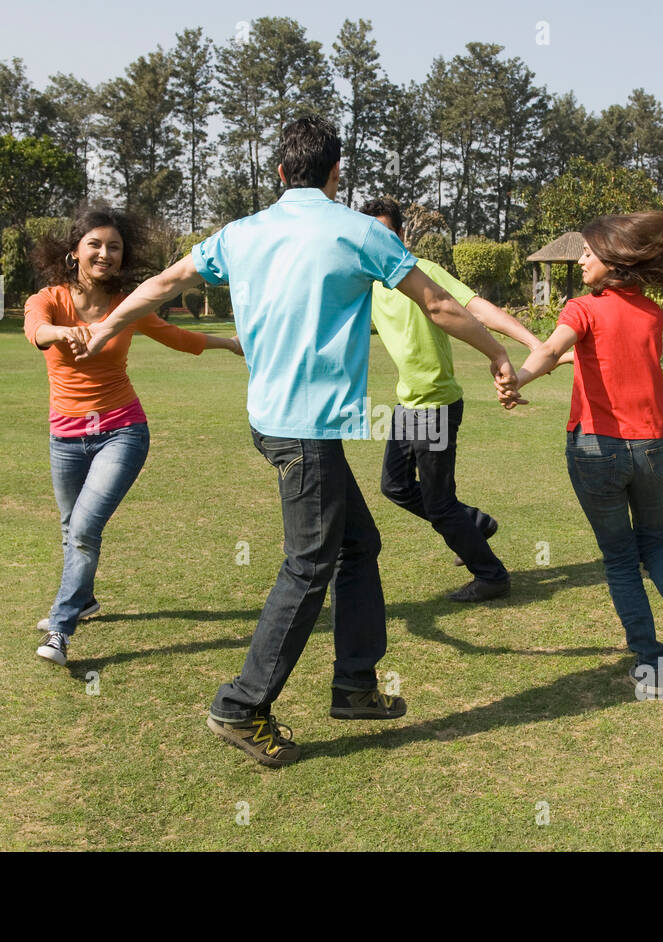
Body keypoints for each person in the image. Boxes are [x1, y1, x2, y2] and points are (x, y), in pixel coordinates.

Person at [79, 115, 519, 767]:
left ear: (281, 174)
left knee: (357, 545)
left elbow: (163, 284)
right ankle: (241, 704)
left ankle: (354, 685)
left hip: (275, 422)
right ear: (336, 174)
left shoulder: (242, 234)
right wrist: (497, 356)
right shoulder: (361, 232)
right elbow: (442, 305)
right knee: (310, 563)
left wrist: (105, 321)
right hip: (305, 431)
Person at [498, 212, 663, 694]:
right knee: (657, 544)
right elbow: (602, 350)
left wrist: (519, 377)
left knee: (620, 558)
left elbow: (553, 346)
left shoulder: (582, 308)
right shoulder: (652, 313)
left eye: (589, 252)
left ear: (614, 259)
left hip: (594, 449)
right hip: (649, 448)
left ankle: (651, 663)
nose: (582, 259)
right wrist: (565, 360)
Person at [24, 205, 243, 667]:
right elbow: (36, 331)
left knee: (84, 529)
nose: (106, 254)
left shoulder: (128, 307)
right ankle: (83, 600)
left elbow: (174, 335)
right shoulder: (48, 299)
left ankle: (61, 629)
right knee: (71, 528)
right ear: (74, 252)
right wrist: (63, 332)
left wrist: (227, 343)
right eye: (95, 245)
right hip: (65, 435)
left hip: (121, 431)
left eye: (115, 247)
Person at [359, 197, 571, 602]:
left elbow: (477, 310)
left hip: (435, 406)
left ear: (400, 236)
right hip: (407, 405)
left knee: (439, 505)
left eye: (386, 235)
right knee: (395, 486)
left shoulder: (424, 273)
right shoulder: (365, 283)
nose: (378, 244)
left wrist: (532, 343)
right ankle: (474, 524)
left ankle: (490, 575)